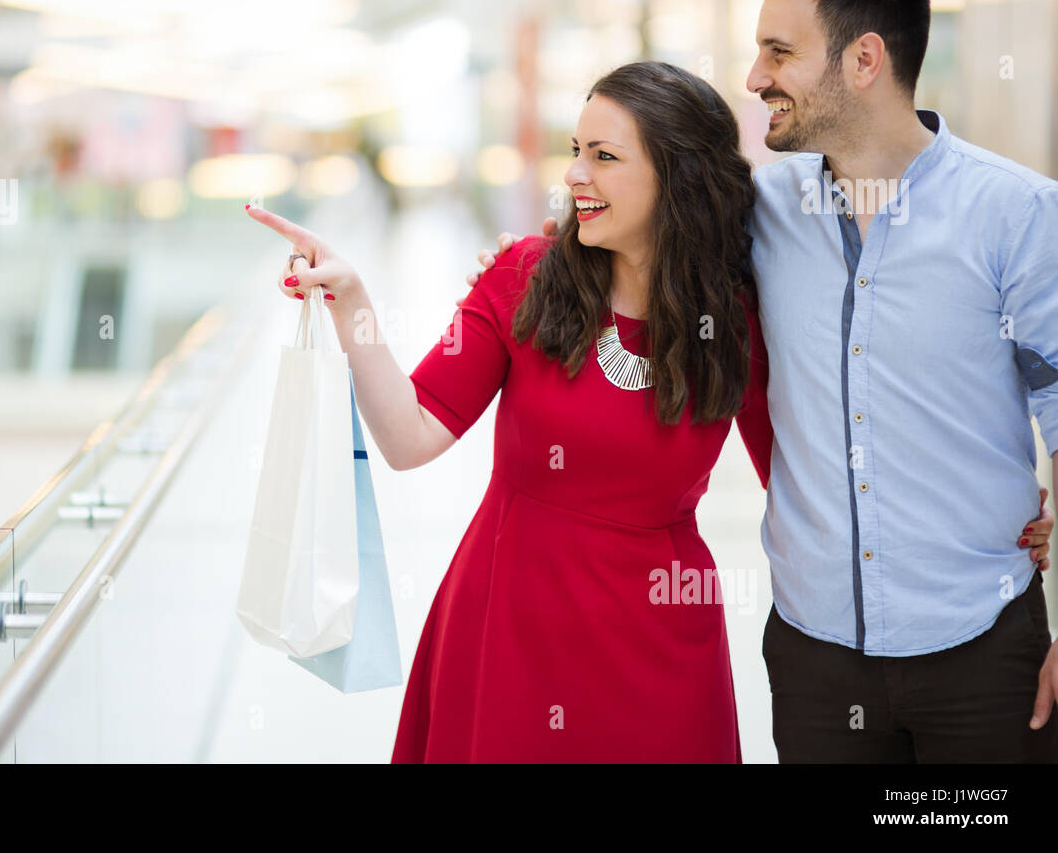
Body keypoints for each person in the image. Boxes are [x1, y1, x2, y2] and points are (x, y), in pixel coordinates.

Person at [468, 0, 1058, 763]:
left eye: (779, 53)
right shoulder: (757, 214)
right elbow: (640, 234)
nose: (754, 78)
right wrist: (542, 253)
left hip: (984, 650)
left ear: (863, 60)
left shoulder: (1020, 215)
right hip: (816, 660)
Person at [248, 61, 772, 761]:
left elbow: (793, 481)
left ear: (678, 179)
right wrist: (355, 307)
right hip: (511, 623)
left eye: (605, 157)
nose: (576, 176)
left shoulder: (736, 318)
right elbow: (410, 435)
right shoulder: (522, 277)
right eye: (576, 152)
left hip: (663, 640)